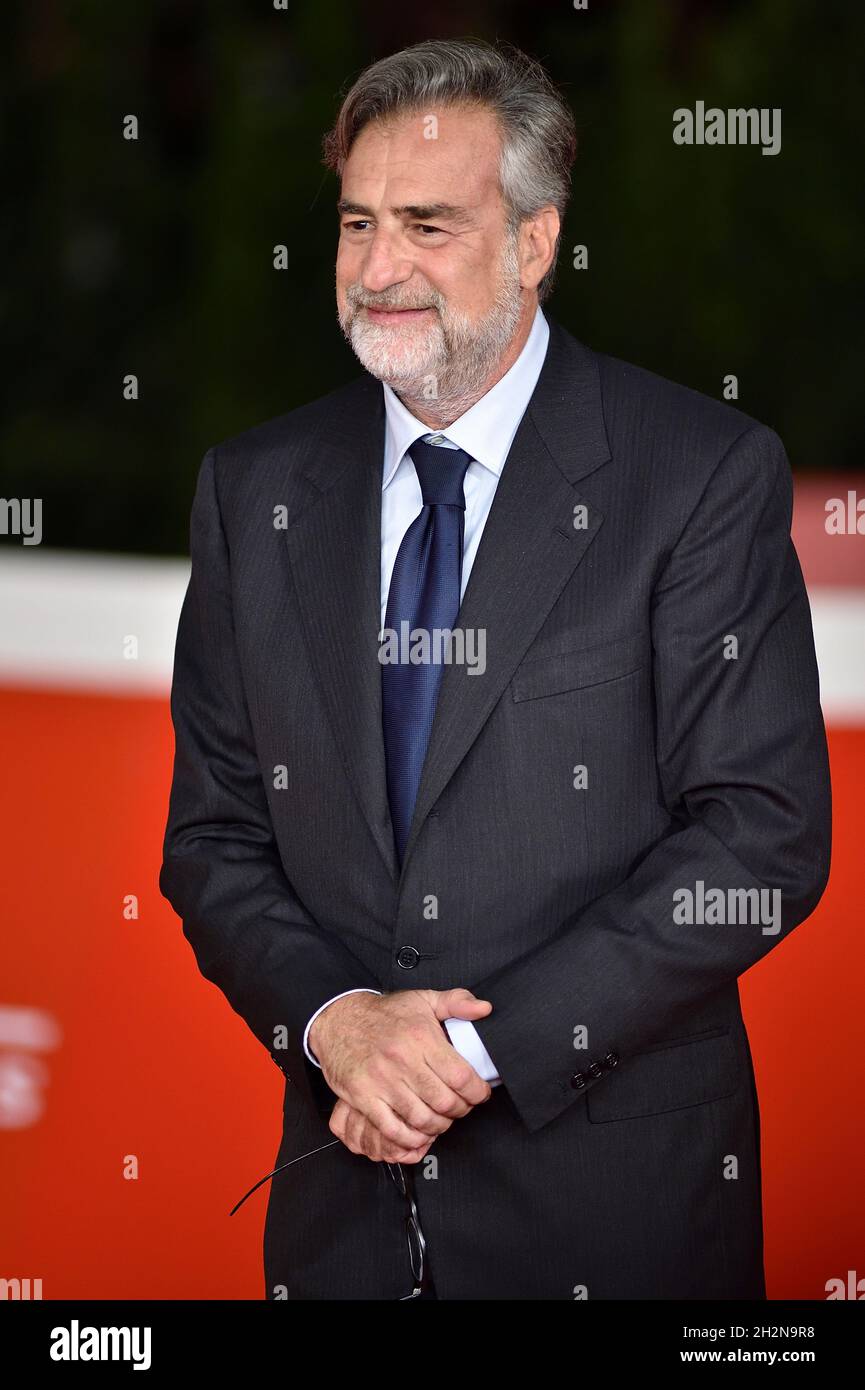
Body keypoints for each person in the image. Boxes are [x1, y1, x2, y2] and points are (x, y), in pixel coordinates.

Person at [159, 38, 831, 1300]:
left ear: (533, 243)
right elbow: (211, 838)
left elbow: (759, 833)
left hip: (613, 1218)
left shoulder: (695, 476)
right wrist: (338, 1024)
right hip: (337, 1222)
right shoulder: (253, 492)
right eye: (358, 222)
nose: (377, 268)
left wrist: (471, 1052)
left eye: (427, 223)